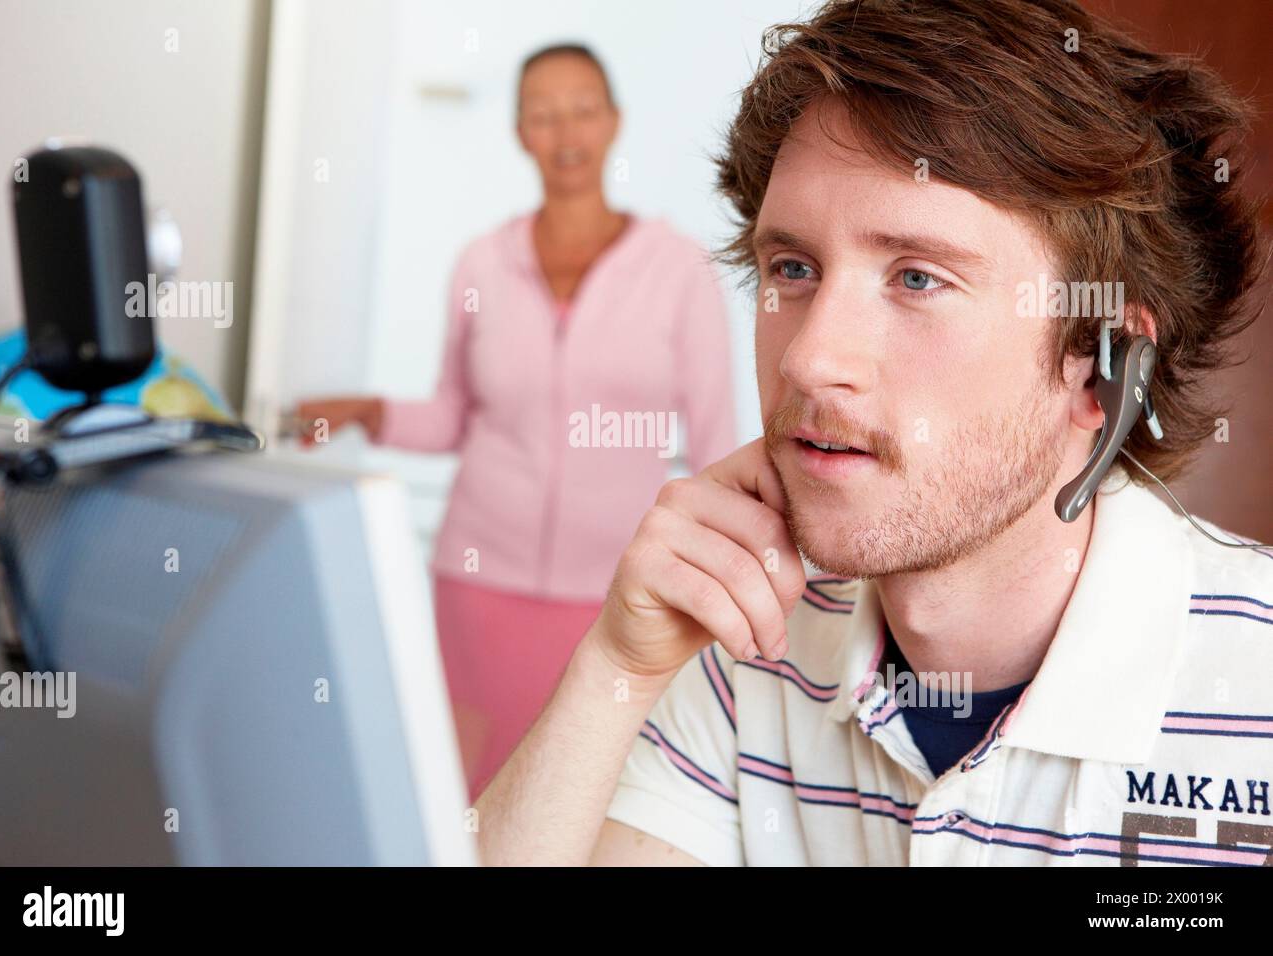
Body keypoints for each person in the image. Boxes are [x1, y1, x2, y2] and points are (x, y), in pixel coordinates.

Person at [474, 0, 1273, 866]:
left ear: (1106, 365)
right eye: (793, 269)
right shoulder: (744, 650)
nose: (810, 360)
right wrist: (615, 670)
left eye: (918, 278)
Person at [297, 44, 736, 799]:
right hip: (478, 584)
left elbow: (716, 444)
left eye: (582, 109)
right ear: (519, 133)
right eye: (543, 113)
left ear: (613, 123)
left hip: (616, 594)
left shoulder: (679, 269)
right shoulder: (482, 264)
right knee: (461, 791)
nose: (565, 131)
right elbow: (451, 417)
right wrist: (368, 410)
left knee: (583, 797)